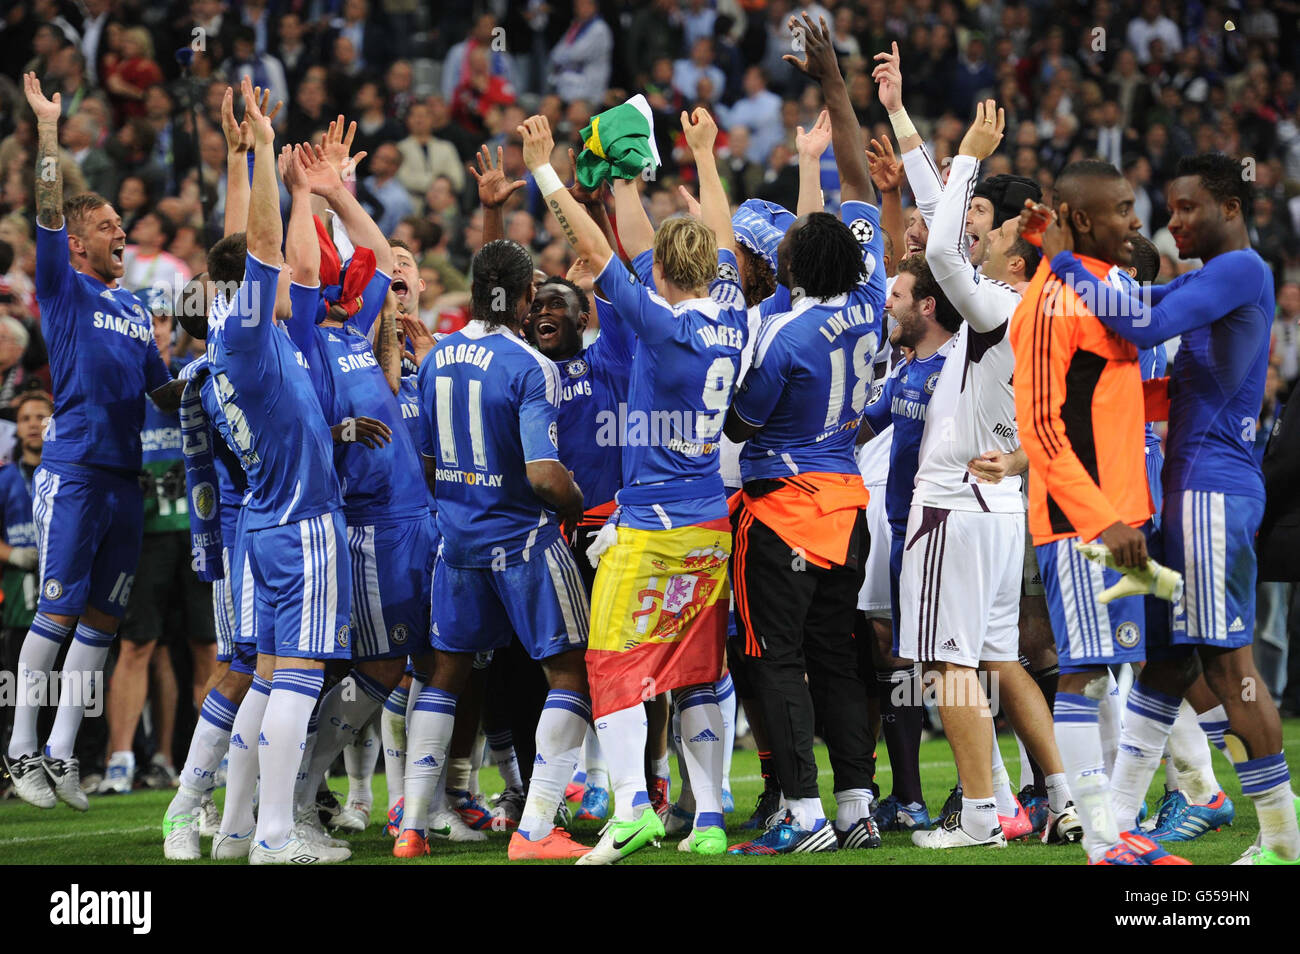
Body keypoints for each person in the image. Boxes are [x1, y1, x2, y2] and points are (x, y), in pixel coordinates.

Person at [1045, 153, 1300, 866]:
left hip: (1214, 492)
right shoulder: (1212, 282)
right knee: (1166, 661)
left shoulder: (1241, 270)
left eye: (1187, 208)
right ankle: (1120, 822)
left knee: (1229, 667)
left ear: (1230, 207)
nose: (1173, 222)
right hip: (1195, 491)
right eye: (1170, 208)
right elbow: (1147, 318)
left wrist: (1066, 263)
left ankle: (1282, 836)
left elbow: (1141, 327)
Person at [523, 108, 747, 862]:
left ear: (659, 274)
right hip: (710, 523)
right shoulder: (731, 314)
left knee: (611, 664)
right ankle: (710, 818)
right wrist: (703, 159)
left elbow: (592, 247)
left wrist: (544, 168)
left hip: (652, 524)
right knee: (699, 671)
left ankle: (631, 810)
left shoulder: (663, 324)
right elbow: (710, 232)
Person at [724, 13, 885, 856]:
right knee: (836, 655)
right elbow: (863, 175)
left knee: (773, 659)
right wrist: (836, 77)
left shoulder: (784, 341)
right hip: (848, 506)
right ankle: (855, 805)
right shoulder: (869, 301)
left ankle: (804, 814)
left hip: (783, 505)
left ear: (788, 270)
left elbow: (738, 421)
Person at [4, 74, 180, 812]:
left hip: (123, 478)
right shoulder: (63, 286)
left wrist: (214, 384)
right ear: (75, 242)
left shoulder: (136, 309)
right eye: (111, 228)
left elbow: (161, 391)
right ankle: (18, 752)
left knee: (104, 621)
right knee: (58, 608)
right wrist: (48, 129)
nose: (124, 237)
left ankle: (59, 753)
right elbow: (46, 205)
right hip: (74, 469)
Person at [1011, 159, 1186, 866]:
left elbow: (1111, 398)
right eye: (1120, 209)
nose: (1134, 221)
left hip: (1119, 515)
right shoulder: (1052, 298)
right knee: (1084, 672)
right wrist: (1100, 520)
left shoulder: (1101, 286)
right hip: (1083, 524)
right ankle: (1103, 841)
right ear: (1081, 218)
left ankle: (1124, 824)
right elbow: (1042, 426)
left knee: (1124, 665)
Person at [403, 209, 591, 860]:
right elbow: (543, 475)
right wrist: (576, 498)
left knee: (446, 674)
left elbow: (426, 463)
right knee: (570, 670)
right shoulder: (528, 365)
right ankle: (536, 829)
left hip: (456, 542)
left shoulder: (439, 355)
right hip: (522, 541)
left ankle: (412, 827)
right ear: (523, 296)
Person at [202, 78, 352, 864]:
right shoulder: (255, 340)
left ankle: (232, 832)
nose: (290, 279)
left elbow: (241, 252)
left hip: (264, 518)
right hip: (302, 519)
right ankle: (272, 836)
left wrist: (248, 170)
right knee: (297, 675)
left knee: (264, 677)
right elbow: (261, 250)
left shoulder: (226, 336)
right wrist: (263, 150)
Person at [99, 290, 216, 795]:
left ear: (174, 325)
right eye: (148, 319)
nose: (157, 327)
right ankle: (121, 756)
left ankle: (215, 756)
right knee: (137, 644)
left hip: (197, 533)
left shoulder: (196, 374)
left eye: (164, 318)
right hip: (142, 535)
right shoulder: (114, 388)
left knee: (208, 647)